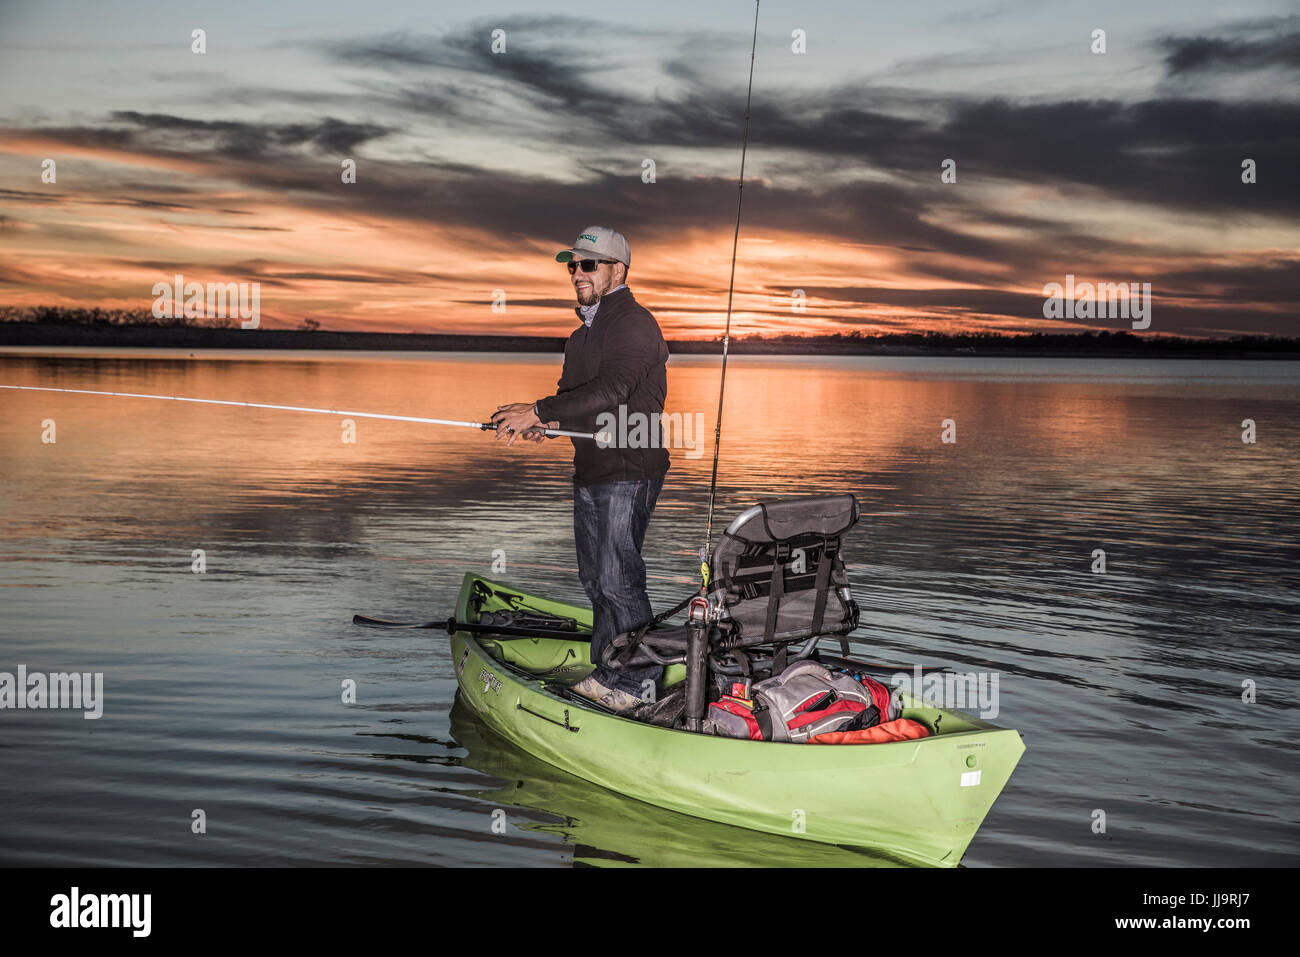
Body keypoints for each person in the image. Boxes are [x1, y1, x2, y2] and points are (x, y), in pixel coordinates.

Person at [492, 226, 669, 713]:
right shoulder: (580, 336)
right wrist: (545, 426)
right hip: (591, 468)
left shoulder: (635, 323)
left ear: (618, 270)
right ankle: (607, 671)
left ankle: (639, 685)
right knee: (594, 578)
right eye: (573, 264)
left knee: (618, 577)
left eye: (588, 264)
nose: (577, 273)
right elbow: (575, 402)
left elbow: (614, 389)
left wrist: (541, 410)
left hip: (631, 467)